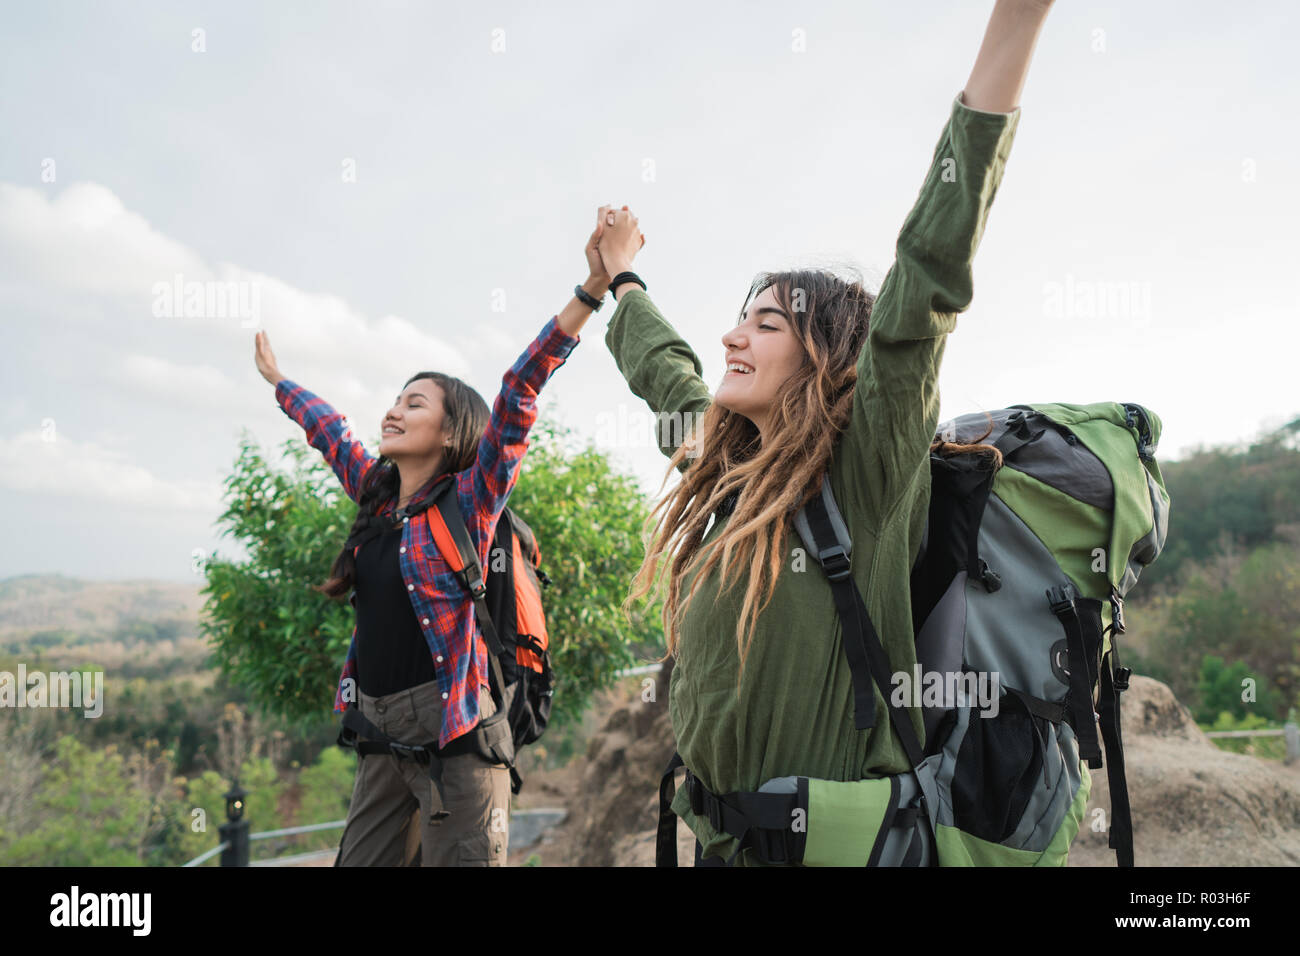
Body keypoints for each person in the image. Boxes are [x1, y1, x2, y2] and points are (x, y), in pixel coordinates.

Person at [597, 0, 1055, 865]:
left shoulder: (866, 469)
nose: (734, 336)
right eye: (740, 320)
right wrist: (622, 279)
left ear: (826, 355)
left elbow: (924, 284)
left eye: (766, 325)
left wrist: (1015, 26)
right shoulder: (730, 470)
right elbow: (665, 372)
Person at [252, 215, 613, 865]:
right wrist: (280, 383)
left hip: (458, 736)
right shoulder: (379, 499)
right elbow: (329, 430)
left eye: (414, 403)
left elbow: (519, 391)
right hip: (382, 737)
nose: (393, 409)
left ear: (451, 432)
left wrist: (589, 291)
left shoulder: (470, 504)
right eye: (395, 399)